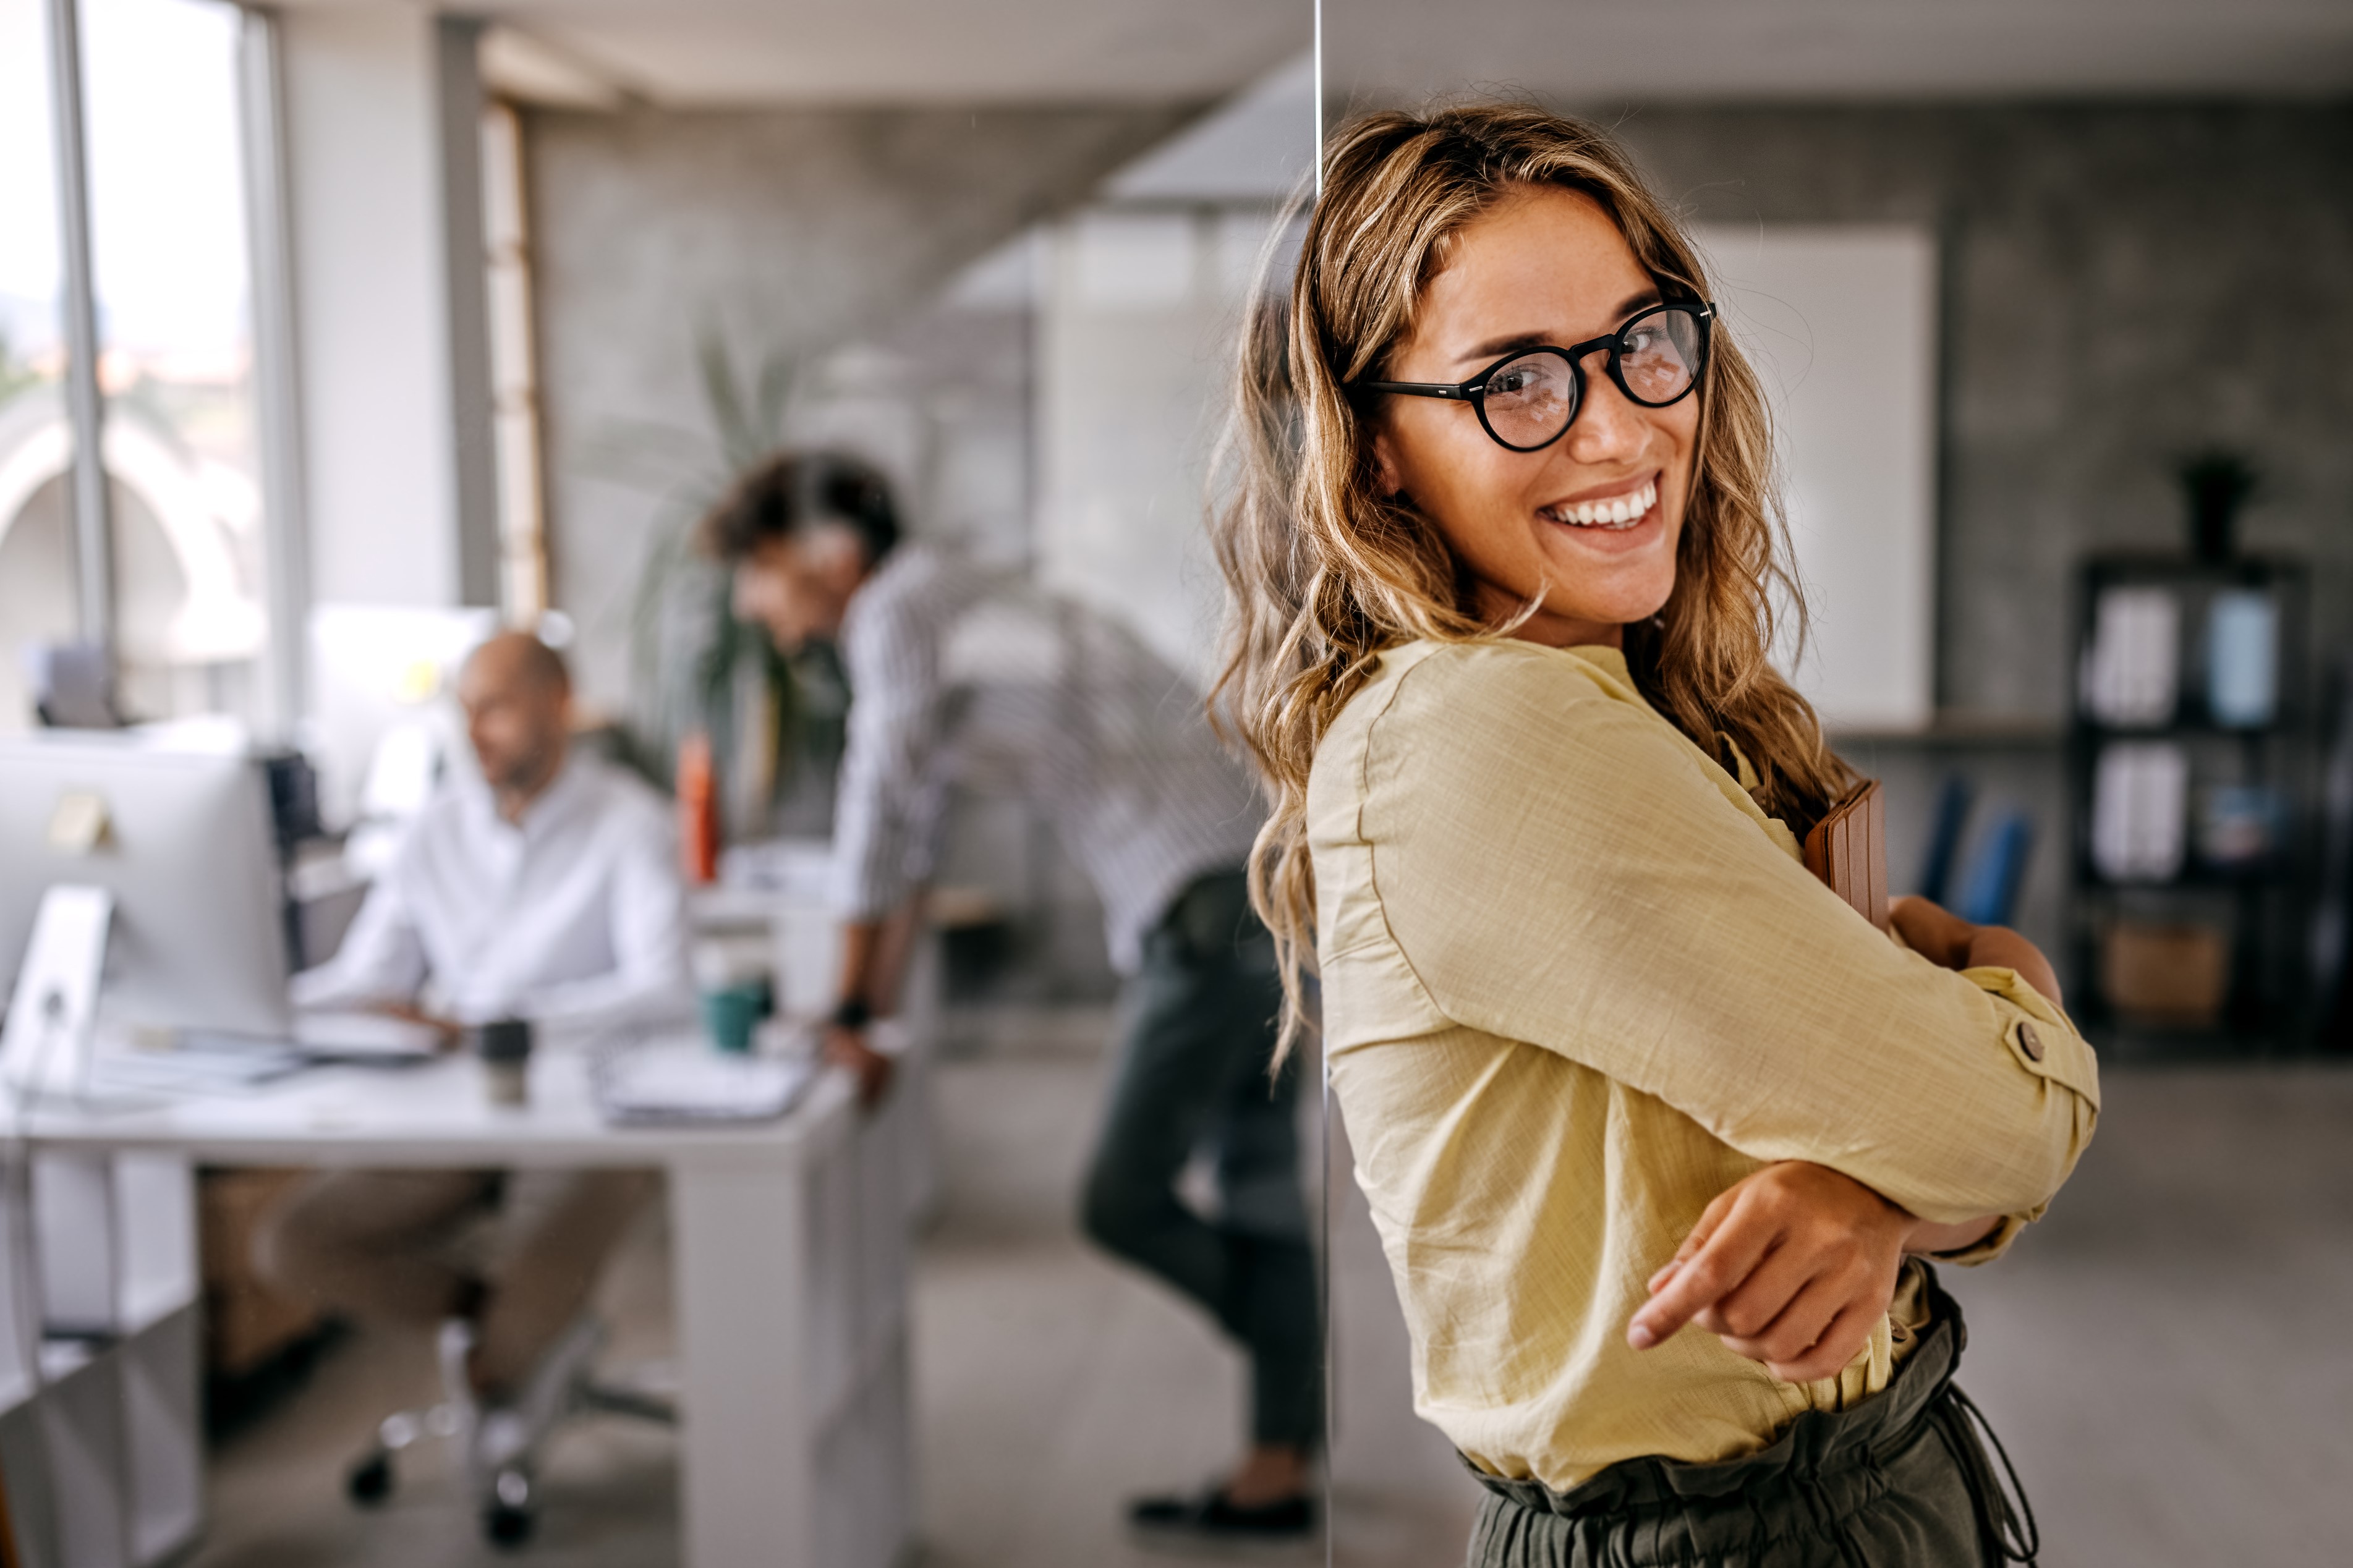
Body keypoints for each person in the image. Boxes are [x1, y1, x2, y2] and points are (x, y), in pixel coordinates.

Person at [1212, 104, 2101, 1566]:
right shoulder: (1481, 729)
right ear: (1373, 450)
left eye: (1642, 342)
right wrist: (2007, 981)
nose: (1623, 426)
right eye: (1514, 383)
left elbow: (1910, 1149)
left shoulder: (1615, 694)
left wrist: (1865, 1186)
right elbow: (2000, 1124)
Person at [707, 452, 1324, 1544]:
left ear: (829, 556)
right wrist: (868, 1010)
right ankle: (1279, 1462)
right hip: (1261, 885)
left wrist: (849, 1015)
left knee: (1118, 1198)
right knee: (1255, 1180)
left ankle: (1290, 1343)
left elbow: (880, 810)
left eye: (760, 573)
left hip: (1207, 905)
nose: (757, 607)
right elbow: (915, 834)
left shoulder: (898, 609)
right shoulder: (956, 599)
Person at [255, 631, 690, 1467]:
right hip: (454, 1115)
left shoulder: (632, 824)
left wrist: (501, 1020)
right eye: (465, 710)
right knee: (292, 1243)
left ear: (557, 704)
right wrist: (263, 1001)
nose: (474, 731)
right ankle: (500, 1315)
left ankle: (518, 1334)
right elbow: (368, 975)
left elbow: (666, 989)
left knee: (512, 1345)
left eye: (495, 707)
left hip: (589, 1125)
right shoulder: (434, 830)